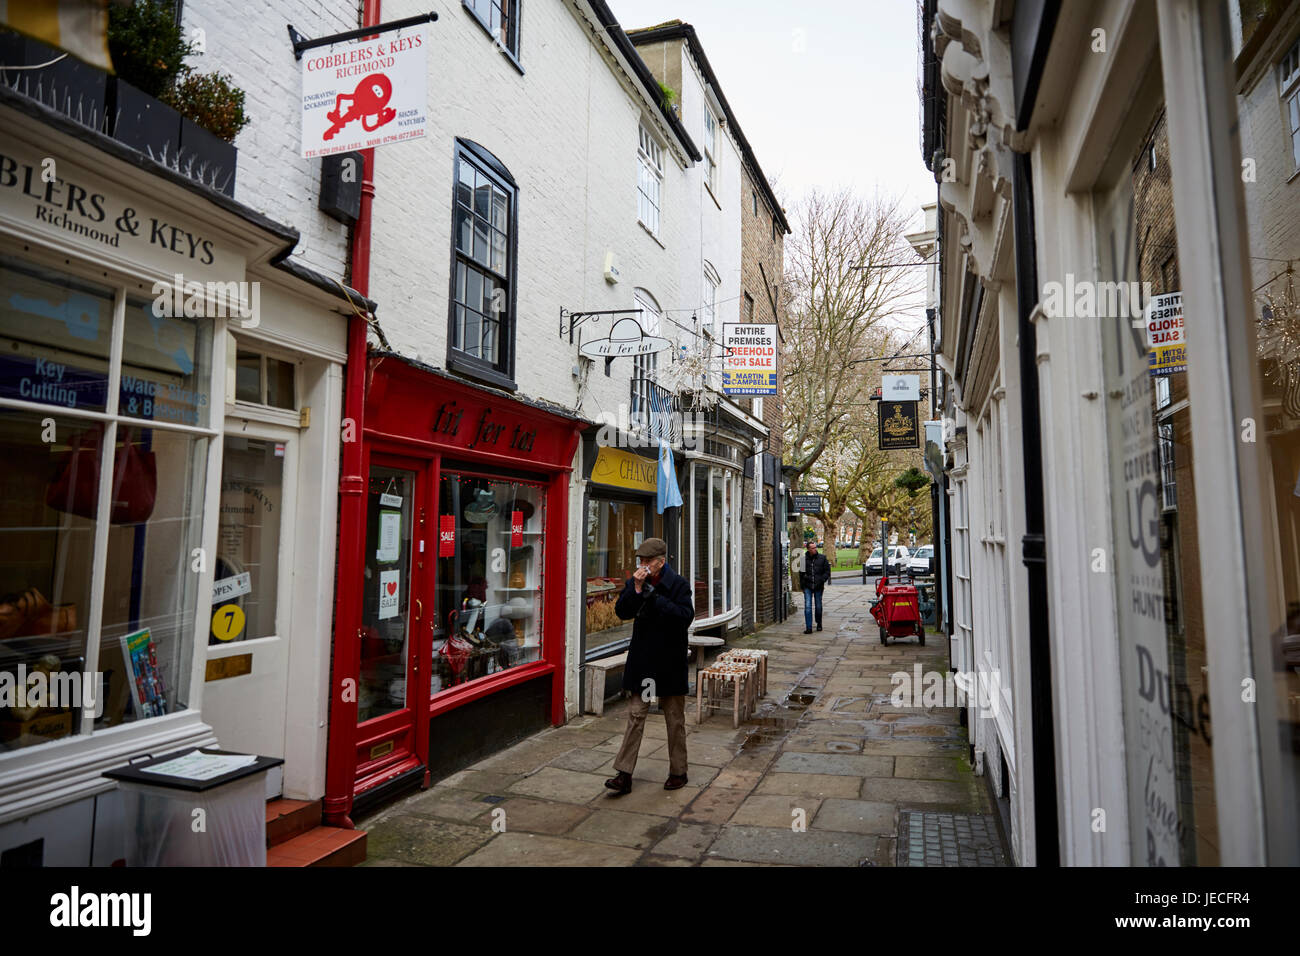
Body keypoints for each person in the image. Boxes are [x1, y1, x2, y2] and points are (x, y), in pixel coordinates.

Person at [604, 537, 695, 795]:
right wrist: (635, 588)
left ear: (661, 562)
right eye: (640, 561)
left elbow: (684, 618)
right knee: (636, 715)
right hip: (644, 663)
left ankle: (679, 771)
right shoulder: (638, 583)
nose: (643, 566)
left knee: (674, 718)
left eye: (647, 562)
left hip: (669, 663)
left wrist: (655, 598)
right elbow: (622, 612)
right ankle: (624, 774)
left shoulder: (678, 585)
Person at [801, 540, 831, 633]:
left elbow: (827, 571)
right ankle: (809, 627)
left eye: (815, 547)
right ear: (808, 549)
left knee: (818, 606)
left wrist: (822, 580)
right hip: (807, 586)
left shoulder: (822, 558)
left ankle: (819, 623)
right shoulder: (803, 560)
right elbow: (801, 574)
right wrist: (803, 585)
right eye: (813, 548)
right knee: (808, 606)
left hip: (818, 586)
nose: (815, 549)